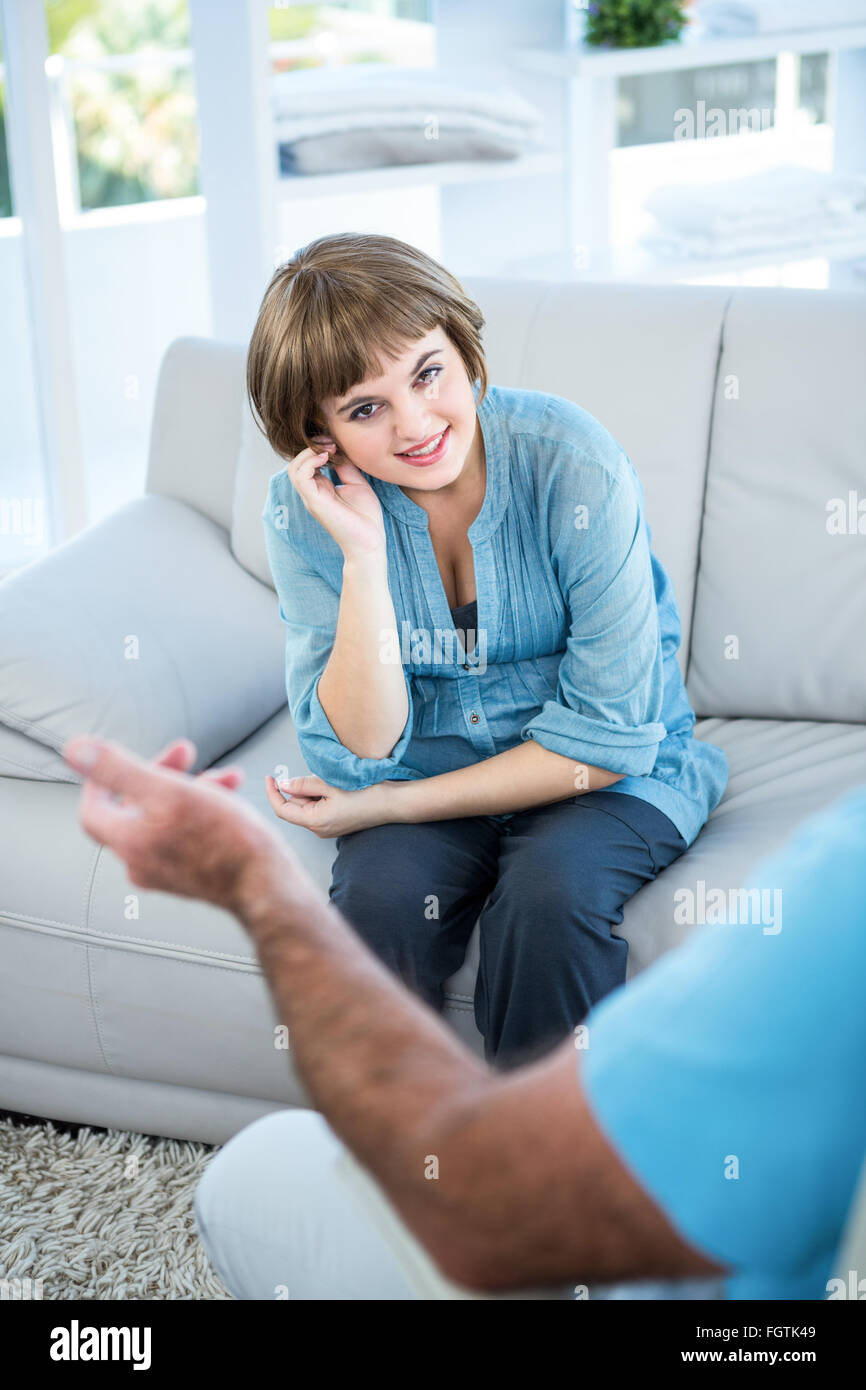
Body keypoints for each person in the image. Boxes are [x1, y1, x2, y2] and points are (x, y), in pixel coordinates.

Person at [62, 734, 866, 1300]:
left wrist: (254, 880)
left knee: (254, 1170)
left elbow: (487, 1219)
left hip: (533, 1232)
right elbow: (349, 738)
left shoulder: (846, 888)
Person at [245, 231, 729, 1068]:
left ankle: (540, 1181)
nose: (417, 423)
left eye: (428, 373)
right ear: (316, 434)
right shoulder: (304, 516)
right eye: (365, 409)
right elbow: (360, 750)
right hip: (429, 762)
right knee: (379, 905)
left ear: (463, 348)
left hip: (605, 778)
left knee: (550, 899)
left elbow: (607, 742)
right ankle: (401, 1164)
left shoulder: (573, 463)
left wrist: (390, 807)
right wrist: (364, 559)